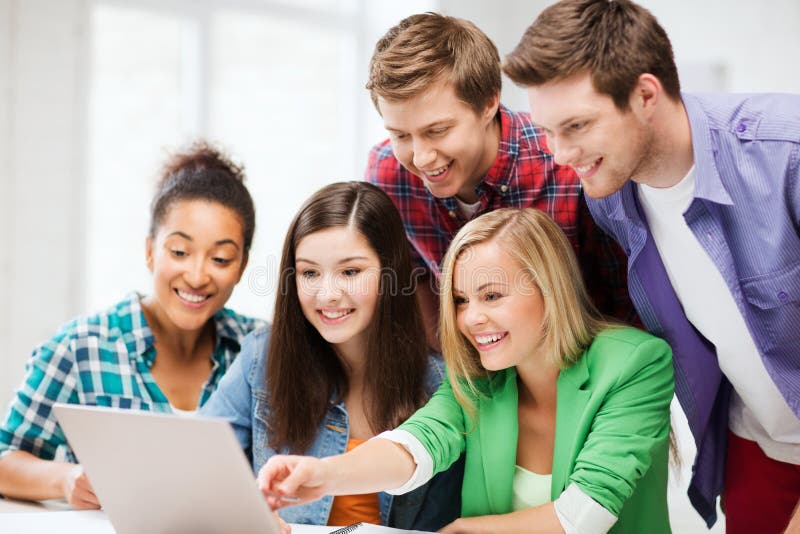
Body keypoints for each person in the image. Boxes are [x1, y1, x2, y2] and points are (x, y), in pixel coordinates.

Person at [501, 1, 800, 532]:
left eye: (577, 125)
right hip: (758, 446)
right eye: (547, 130)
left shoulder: (787, 155)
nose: (560, 153)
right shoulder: (610, 196)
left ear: (645, 95)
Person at [258, 207, 674, 534]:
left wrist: (469, 531)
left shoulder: (635, 364)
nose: (470, 318)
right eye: (460, 300)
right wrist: (324, 474)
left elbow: (585, 515)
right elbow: (415, 445)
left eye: (491, 295)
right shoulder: (480, 379)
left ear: (551, 291)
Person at [0, 142, 264, 509]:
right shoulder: (81, 347)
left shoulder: (259, 350)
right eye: (179, 252)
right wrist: (65, 480)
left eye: (220, 258)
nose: (197, 275)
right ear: (149, 250)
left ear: (242, 266)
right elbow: (5, 457)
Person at [364, 13, 636, 349]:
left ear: (489, 103)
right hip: (476, 377)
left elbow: (627, 309)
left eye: (437, 131)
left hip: (592, 373)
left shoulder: (570, 165)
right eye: (401, 135)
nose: (420, 158)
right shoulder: (389, 173)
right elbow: (415, 283)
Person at [200, 182, 461, 530]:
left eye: (350, 272)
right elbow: (195, 465)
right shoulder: (260, 357)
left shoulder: (439, 386)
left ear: (390, 273)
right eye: (309, 273)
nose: (328, 294)